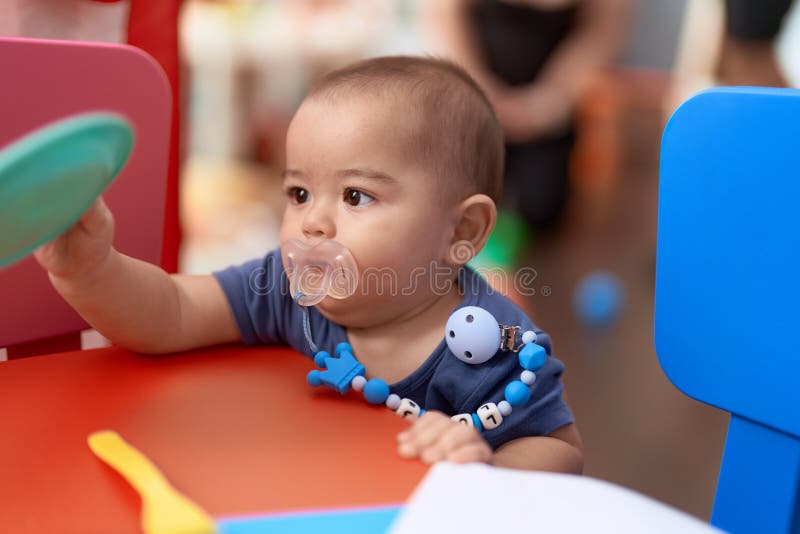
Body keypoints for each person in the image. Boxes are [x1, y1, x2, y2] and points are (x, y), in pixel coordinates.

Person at [34, 56, 582, 472]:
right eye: (298, 193)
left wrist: (488, 466)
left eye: (355, 196)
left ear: (461, 232)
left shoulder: (495, 347)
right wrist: (91, 271)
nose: (312, 223)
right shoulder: (283, 288)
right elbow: (172, 311)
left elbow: (560, 449)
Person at [425, 0, 630, 268]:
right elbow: (444, 19)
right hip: (473, 97)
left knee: (542, 209)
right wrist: (482, 95)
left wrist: (546, 105)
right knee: (452, 195)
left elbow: (599, 36)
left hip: (549, 109)